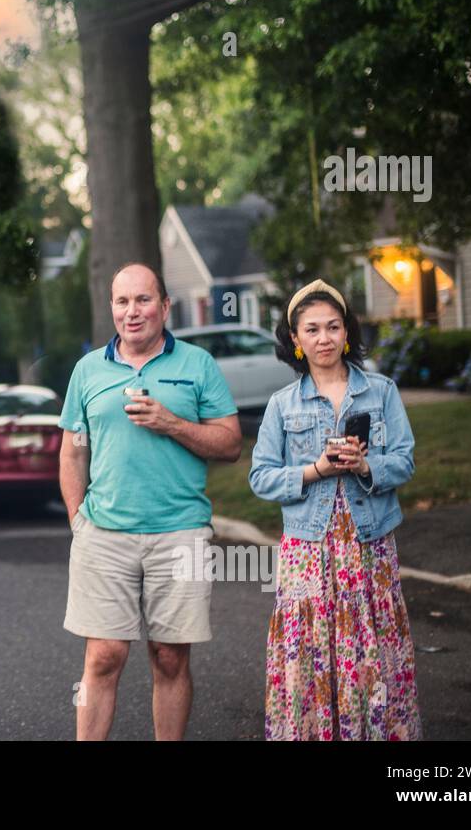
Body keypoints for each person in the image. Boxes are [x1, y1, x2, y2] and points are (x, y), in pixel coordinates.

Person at [58, 262, 242, 740]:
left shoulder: (198, 364)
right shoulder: (88, 370)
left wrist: (172, 424)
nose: (132, 311)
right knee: (103, 656)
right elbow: (73, 452)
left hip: (180, 530)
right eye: (122, 301)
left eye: (143, 300)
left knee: (169, 655)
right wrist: (79, 520)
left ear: (164, 306)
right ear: (111, 308)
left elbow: (229, 444)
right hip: (104, 532)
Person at [249, 279, 421, 740]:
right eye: (312, 329)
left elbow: (405, 460)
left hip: (368, 544)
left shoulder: (381, 391)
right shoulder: (282, 405)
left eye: (333, 327)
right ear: (296, 341)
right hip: (308, 548)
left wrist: (367, 465)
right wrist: (315, 470)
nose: (324, 338)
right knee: (310, 649)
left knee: (371, 643)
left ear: (348, 333)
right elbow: (260, 476)